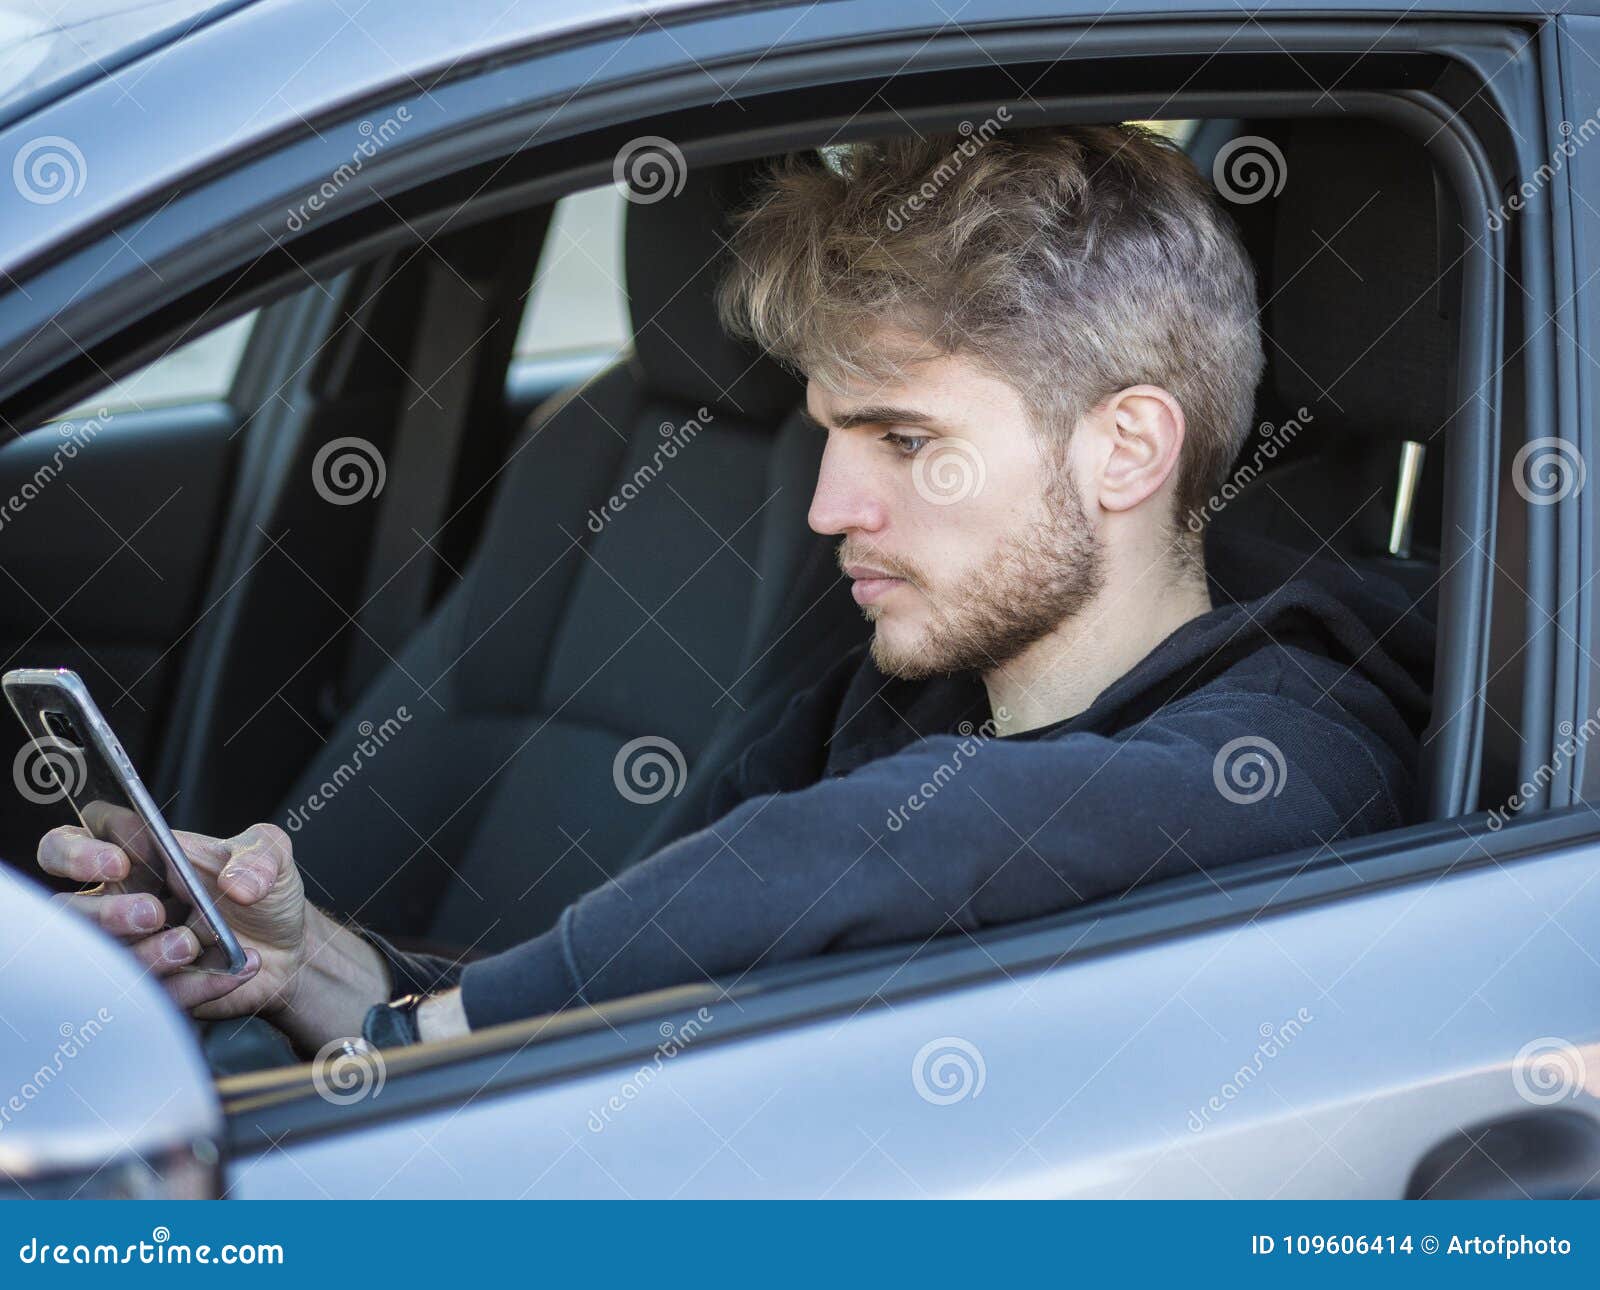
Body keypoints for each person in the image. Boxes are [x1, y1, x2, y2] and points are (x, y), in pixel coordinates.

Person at [34, 125, 1432, 1056]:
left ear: (1126, 447)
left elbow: (857, 859)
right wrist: (317, 970)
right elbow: (612, 979)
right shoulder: (889, 697)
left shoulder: (1289, 752)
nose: (829, 506)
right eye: (828, 433)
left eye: (904, 441)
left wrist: (420, 1048)